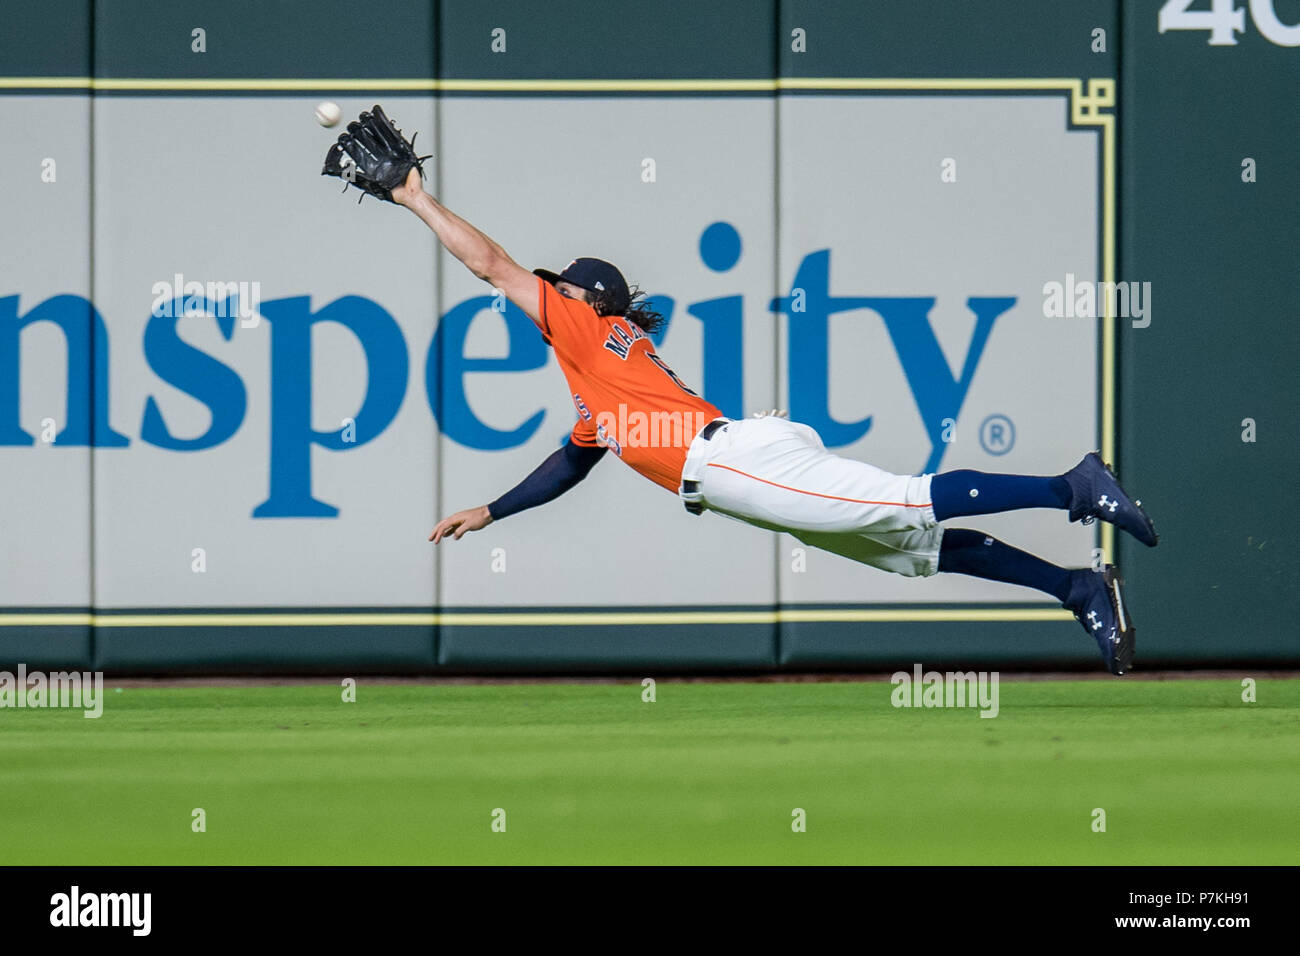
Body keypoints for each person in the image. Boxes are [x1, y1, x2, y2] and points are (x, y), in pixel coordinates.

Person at [388, 170, 1157, 676]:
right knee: (909, 547)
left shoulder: (587, 330)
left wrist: (416, 199)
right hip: (740, 466)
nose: (546, 295)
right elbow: (569, 464)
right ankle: (1077, 587)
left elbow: (490, 264)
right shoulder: (601, 389)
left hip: (728, 462)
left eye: (559, 290)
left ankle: (1073, 484)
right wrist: (491, 511)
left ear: (585, 302)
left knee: (905, 501)